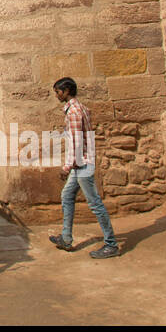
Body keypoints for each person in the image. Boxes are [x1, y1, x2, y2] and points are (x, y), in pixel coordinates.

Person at [48, 77, 120, 258]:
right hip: (81, 162)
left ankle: (111, 244)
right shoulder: (82, 108)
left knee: (95, 204)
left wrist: (66, 167)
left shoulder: (73, 112)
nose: (57, 95)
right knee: (67, 196)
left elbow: (76, 143)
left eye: (58, 92)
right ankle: (66, 238)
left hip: (82, 163)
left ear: (66, 91)